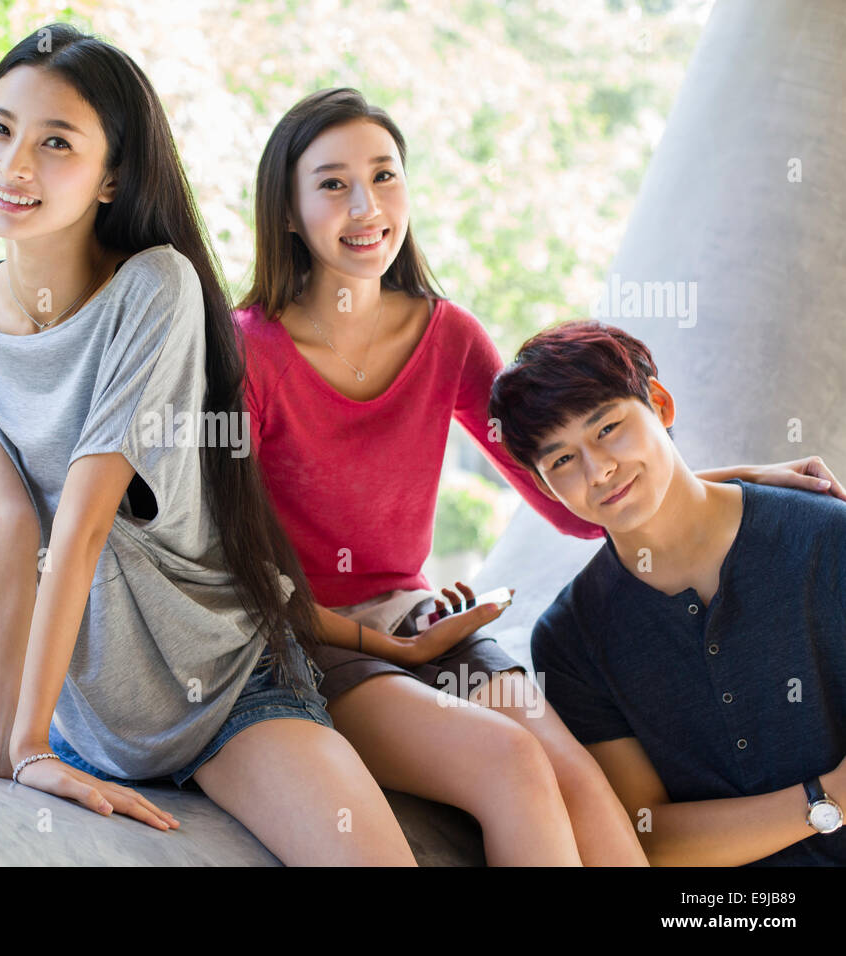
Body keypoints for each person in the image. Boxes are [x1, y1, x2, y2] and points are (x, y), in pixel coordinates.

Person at [233, 87, 844, 864]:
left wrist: (742, 478)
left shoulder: (445, 334)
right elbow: (235, 566)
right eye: (331, 184)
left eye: (385, 176)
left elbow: (572, 489)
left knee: (583, 786)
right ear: (285, 212)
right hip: (308, 634)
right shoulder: (249, 350)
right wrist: (389, 650)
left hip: (424, 622)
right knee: (511, 764)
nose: (366, 205)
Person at [0, 24, 415, 865]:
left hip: (227, 685)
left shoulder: (154, 286)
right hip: (88, 716)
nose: (15, 164)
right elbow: (2, 525)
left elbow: (82, 521)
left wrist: (30, 741)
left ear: (112, 176)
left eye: (57, 143)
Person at [490, 319, 846, 866]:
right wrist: (827, 800)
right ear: (543, 486)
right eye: (562, 460)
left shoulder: (825, 537)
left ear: (659, 404)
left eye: (607, 427)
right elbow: (645, 839)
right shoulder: (571, 637)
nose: (600, 468)